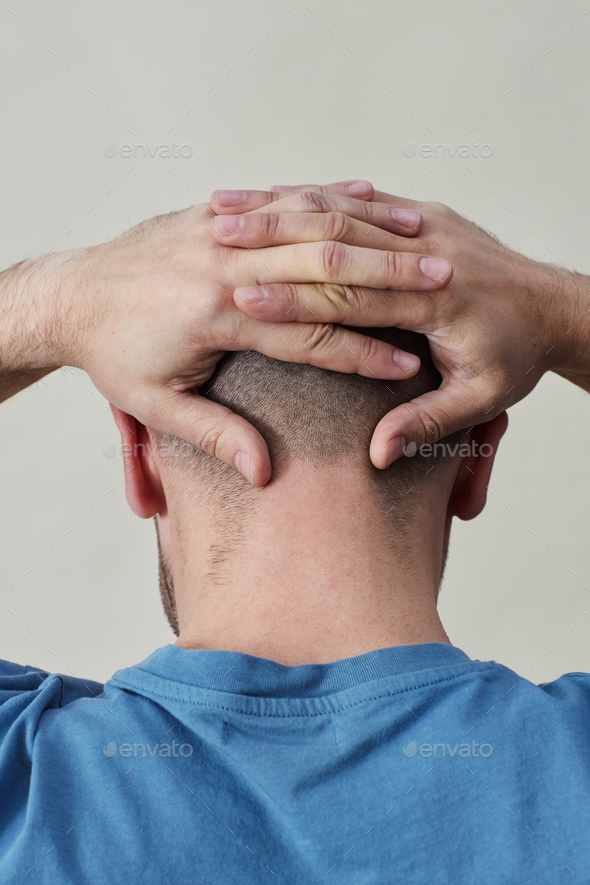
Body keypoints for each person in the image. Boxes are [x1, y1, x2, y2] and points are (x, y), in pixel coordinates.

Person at [1, 181, 588, 882]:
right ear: (476, 463)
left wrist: (59, 301)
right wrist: (560, 312)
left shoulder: (23, 785)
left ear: (138, 460)